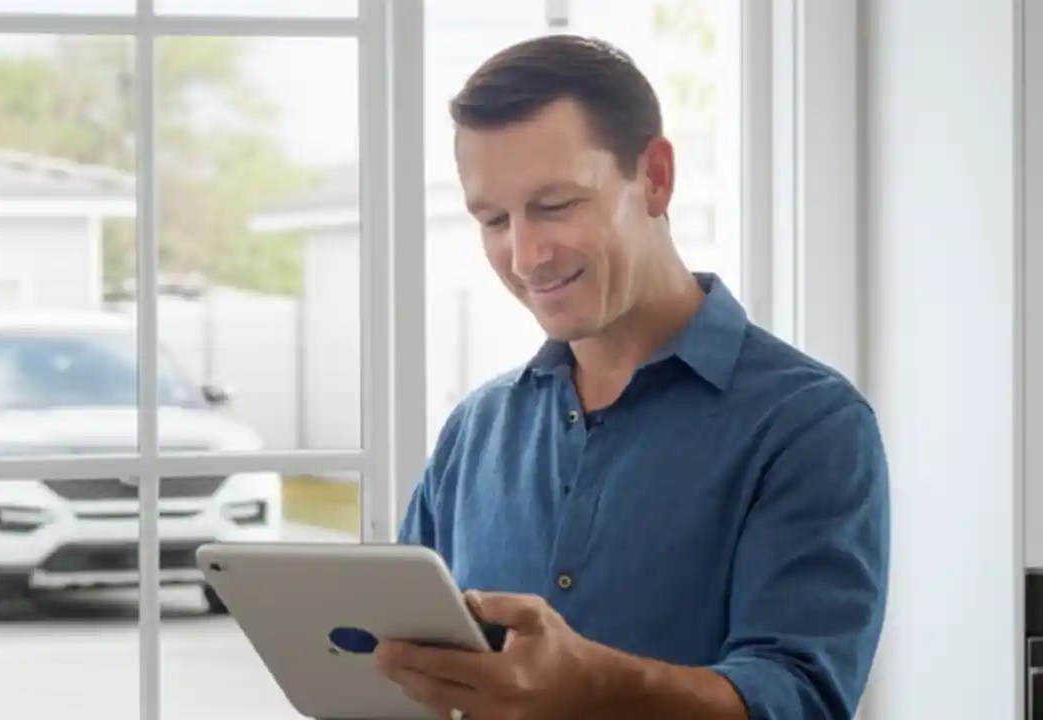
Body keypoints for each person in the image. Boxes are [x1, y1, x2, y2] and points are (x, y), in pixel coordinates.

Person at [374, 35, 889, 720]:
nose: (525, 256)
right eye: (494, 219)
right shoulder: (478, 429)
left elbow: (802, 699)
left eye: (555, 205)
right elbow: (409, 664)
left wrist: (595, 685)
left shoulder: (809, 424)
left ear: (655, 177)